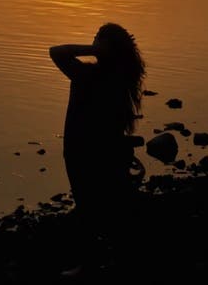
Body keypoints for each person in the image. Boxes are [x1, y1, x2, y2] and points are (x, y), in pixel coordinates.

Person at [49, 23, 146, 279]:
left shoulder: (89, 76)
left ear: (105, 49)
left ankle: (90, 266)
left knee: (88, 208)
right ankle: (112, 261)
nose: (93, 44)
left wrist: (93, 49)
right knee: (106, 208)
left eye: (97, 41)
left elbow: (56, 51)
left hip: (83, 152)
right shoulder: (119, 78)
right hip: (104, 151)